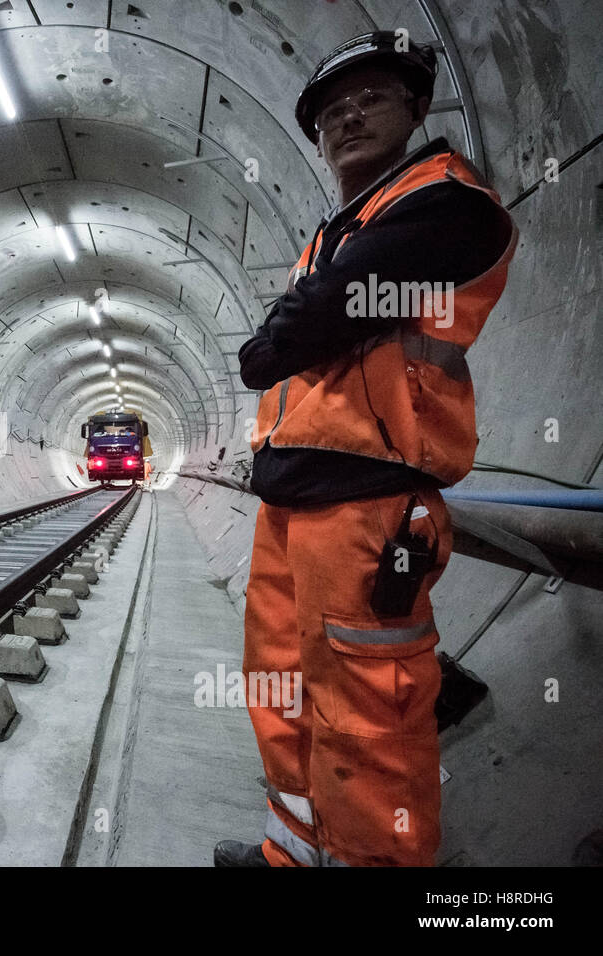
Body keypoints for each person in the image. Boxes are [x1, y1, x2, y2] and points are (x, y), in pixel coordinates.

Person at [218, 32, 516, 866]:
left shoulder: (446, 203)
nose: (349, 116)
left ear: (418, 109)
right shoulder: (336, 231)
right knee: (281, 694)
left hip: (369, 510)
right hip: (292, 508)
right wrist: (284, 335)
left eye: (372, 97)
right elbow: (309, 320)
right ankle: (295, 853)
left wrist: (271, 343)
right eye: (331, 111)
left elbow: (313, 320)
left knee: (365, 716)